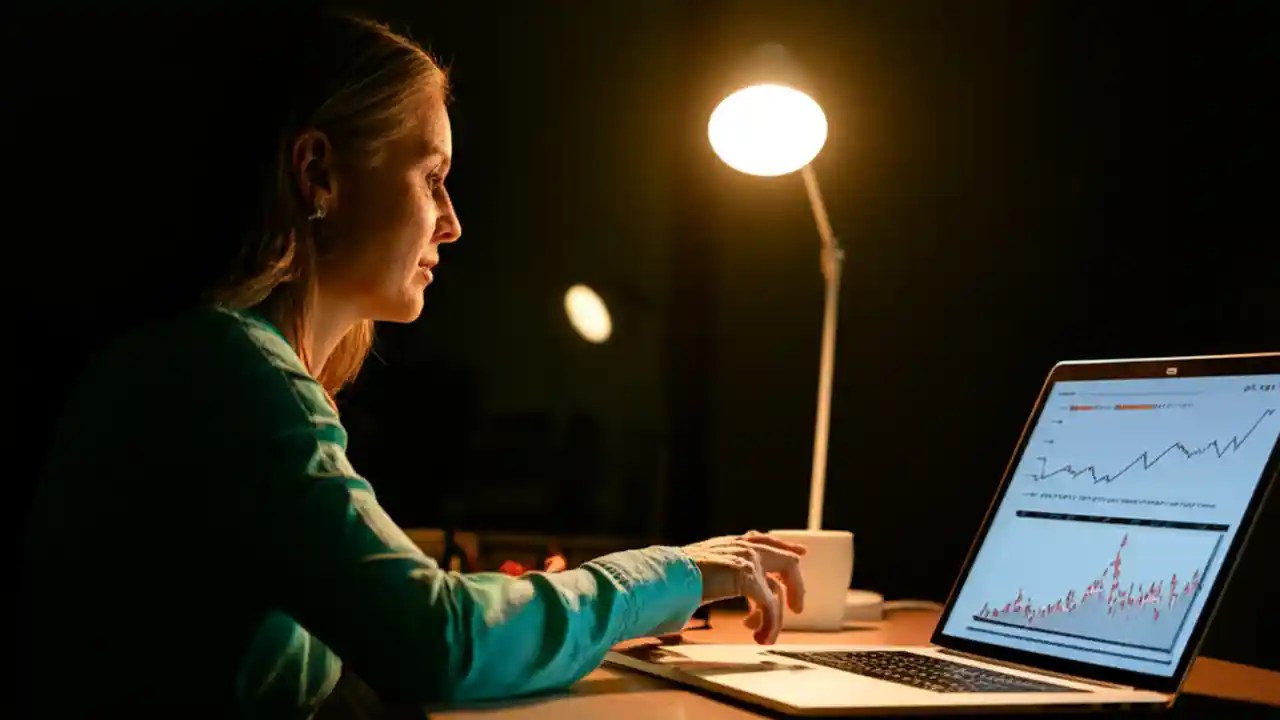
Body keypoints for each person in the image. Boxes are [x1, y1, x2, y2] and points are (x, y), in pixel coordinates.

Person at [21, 10, 806, 718]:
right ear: (317, 173)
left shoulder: (205, 362)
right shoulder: (226, 376)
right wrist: (671, 575)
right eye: (431, 178)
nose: (453, 224)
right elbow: (440, 640)